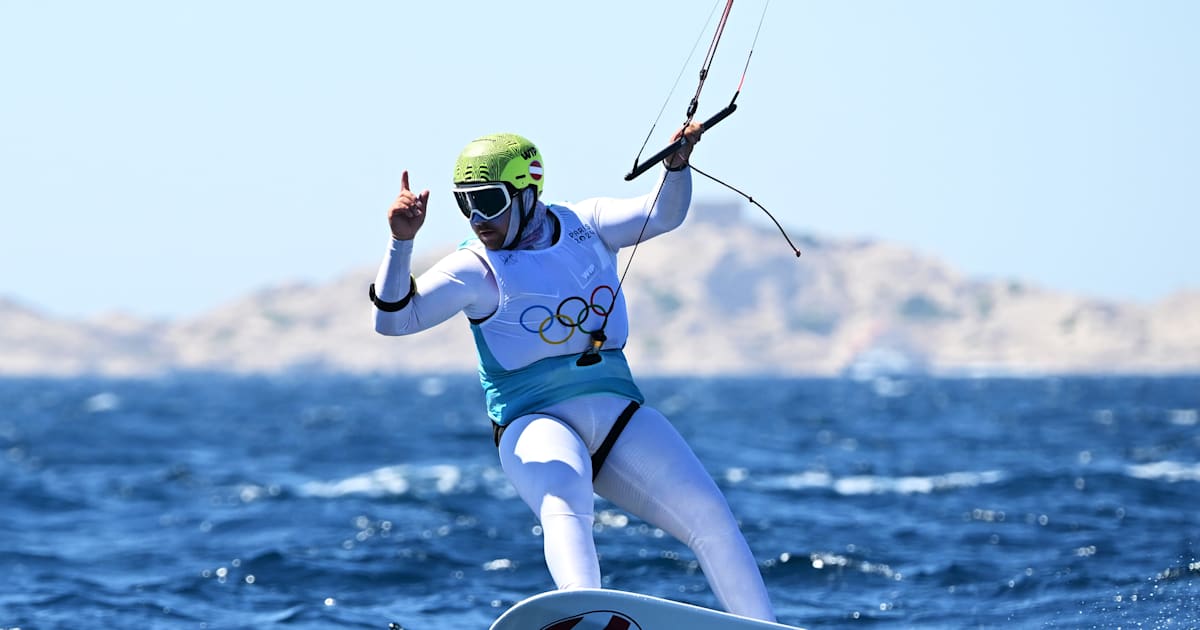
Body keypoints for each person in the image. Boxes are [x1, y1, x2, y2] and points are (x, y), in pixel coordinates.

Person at [370, 123, 776, 621]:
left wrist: (676, 165)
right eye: (465, 203)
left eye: (489, 201)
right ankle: (582, 617)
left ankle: (766, 627)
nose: (478, 218)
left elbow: (662, 214)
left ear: (527, 192)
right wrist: (400, 242)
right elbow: (394, 320)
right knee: (567, 500)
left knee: (711, 517)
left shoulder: (589, 223)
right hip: (534, 421)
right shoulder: (474, 269)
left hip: (619, 414)